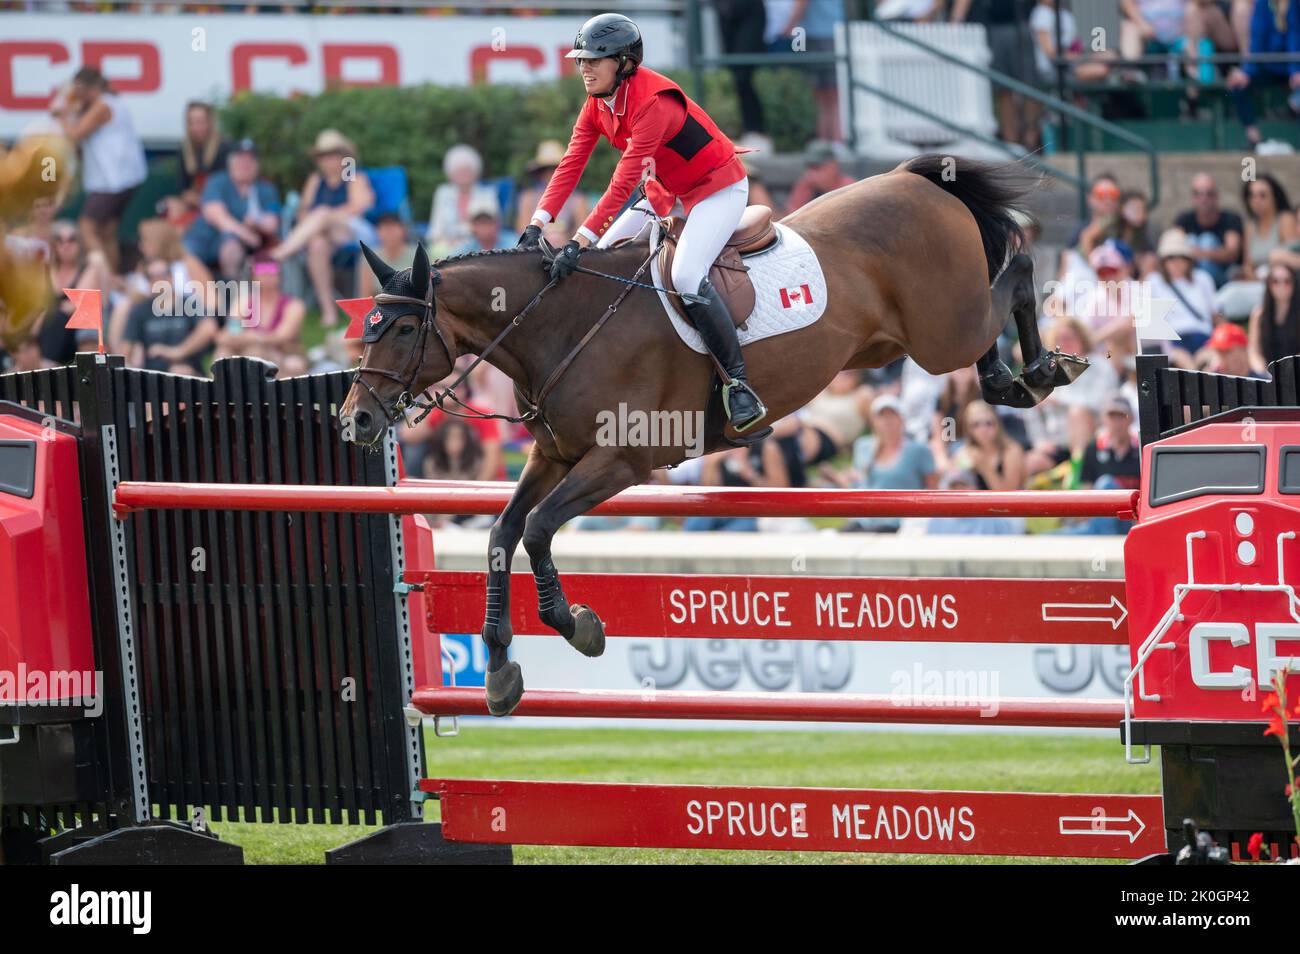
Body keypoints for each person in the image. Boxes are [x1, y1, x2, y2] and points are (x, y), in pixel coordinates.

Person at [517, 12, 766, 432]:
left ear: (625, 63)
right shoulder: (598, 103)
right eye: (582, 60)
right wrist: (537, 224)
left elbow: (622, 182)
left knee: (686, 275)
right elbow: (570, 165)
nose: (585, 68)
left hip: (715, 190)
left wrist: (577, 239)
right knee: (602, 258)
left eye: (596, 59)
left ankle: (738, 386)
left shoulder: (654, 102)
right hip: (666, 191)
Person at [271, 129, 375, 327]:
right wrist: (319, 222)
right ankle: (328, 311)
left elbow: (359, 207)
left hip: (354, 231)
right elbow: (303, 212)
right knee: (317, 244)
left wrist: (327, 216)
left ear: (344, 155)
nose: (328, 160)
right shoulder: (315, 180)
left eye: (333, 154)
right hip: (325, 236)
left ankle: (281, 253)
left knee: (322, 213)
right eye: (323, 156)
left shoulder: (354, 176)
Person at [50, 67, 147, 272]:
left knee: (87, 227)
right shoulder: (108, 101)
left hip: (113, 180)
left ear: (88, 88)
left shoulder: (104, 105)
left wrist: (62, 114)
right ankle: (112, 279)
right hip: (122, 178)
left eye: (78, 89)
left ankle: (104, 278)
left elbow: (76, 133)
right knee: (107, 231)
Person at [183, 139, 281, 287]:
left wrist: (256, 223)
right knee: (184, 252)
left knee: (231, 246)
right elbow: (215, 215)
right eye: (241, 158)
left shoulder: (265, 189)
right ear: (231, 162)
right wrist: (246, 233)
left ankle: (233, 299)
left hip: (236, 246)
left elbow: (271, 224)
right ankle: (186, 302)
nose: (245, 163)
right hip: (203, 239)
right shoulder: (218, 181)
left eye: (250, 159)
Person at [838, 393, 936, 533]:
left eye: (892, 415)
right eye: (882, 416)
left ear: (901, 419)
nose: (887, 421)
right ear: (874, 421)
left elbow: (933, 489)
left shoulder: (919, 450)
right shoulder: (863, 446)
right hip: (863, 520)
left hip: (900, 523)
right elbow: (859, 484)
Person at [952, 0, 1037, 147]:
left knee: (1030, 87)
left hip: (1022, 24)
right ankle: (1012, 143)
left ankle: (1032, 140)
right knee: (1003, 89)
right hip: (994, 26)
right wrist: (955, 22)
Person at [122, 257, 218, 374]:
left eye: (164, 274)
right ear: (148, 282)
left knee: (180, 372)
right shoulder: (140, 310)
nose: (161, 280)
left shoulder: (189, 304)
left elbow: (209, 328)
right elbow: (125, 351)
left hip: (189, 374)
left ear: (172, 276)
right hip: (152, 378)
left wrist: (177, 352)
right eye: (154, 277)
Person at [1226, 0, 1300, 150]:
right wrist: (1247, 72)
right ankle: (1254, 138)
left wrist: (1295, 70)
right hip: (1268, 66)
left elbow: (1295, 35)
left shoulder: (1294, 4)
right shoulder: (1262, 4)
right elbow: (1257, 38)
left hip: (1292, 66)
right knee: (1238, 86)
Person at [1146, 228, 1220, 365]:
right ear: (1163, 261)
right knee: (1186, 366)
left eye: (1181, 256)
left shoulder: (1203, 279)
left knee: (1212, 363)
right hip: (1173, 341)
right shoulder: (1154, 281)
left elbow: (1215, 315)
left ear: (1188, 259)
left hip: (1203, 337)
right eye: (1170, 257)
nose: (1176, 261)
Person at [162, 102, 231, 230]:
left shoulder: (224, 147)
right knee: (170, 207)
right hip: (195, 202)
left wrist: (203, 201)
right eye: (192, 122)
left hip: (219, 205)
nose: (197, 126)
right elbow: (182, 189)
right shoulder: (186, 149)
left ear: (210, 122)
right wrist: (192, 199)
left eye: (201, 121)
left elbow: (226, 188)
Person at [427, 144, 499, 258]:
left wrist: (461, 239)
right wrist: (448, 241)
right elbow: (435, 230)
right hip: (446, 245)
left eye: (467, 170)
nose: (463, 175)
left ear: (475, 172)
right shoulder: (442, 193)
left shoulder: (487, 193)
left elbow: (489, 228)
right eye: (458, 171)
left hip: (477, 244)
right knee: (437, 252)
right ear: (450, 174)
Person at [1173, 173, 1244, 287]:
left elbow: (1232, 253)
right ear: (1193, 197)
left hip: (1223, 280)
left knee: (1207, 239)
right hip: (1190, 276)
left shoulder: (1231, 219)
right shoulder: (1184, 219)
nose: (1204, 198)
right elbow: (1175, 248)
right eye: (1198, 194)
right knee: (1191, 240)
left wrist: (1200, 253)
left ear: (1216, 196)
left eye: (1209, 194)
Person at [713, 0, 769, 144]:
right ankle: (749, 130)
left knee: (743, 75)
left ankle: (756, 130)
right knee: (736, 75)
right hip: (726, 11)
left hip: (749, 11)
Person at [513, 140, 590, 243]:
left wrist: (564, 243)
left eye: (557, 168)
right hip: (535, 251)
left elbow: (583, 234)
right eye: (548, 169)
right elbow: (522, 230)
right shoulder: (528, 197)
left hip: (567, 251)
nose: (553, 173)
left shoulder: (577, 199)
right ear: (540, 172)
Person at [1241, 173, 1297, 278]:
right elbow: (1247, 264)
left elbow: (1292, 255)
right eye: (1252, 195)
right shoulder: (1250, 226)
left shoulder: (1285, 220)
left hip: (1281, 282)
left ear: (1274, 197)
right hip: (1256, 282)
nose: (1256, 201)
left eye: (1262, 195)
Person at [1247, 263, 1300, 370]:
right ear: (1269, 284)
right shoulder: (1258, 314)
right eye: (1275, 281)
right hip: (1266, 376)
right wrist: (1263, 372)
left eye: (1287, 281)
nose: (1281, 286)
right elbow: (1253, 351)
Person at [784, 140, 854, 213]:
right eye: (810, 168)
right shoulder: (807, 185)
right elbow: (789, 218)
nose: (811, 174)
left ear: (833, 166)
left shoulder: (849, 188)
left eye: (817, 168)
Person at [358, 212, 417, 297]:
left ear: (404, 230)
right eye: (385, 228)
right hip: (379, 307)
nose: (389, 233)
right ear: (378, 231)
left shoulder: (417, 254)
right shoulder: (369, 256)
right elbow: (365, 296)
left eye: (393, 227)